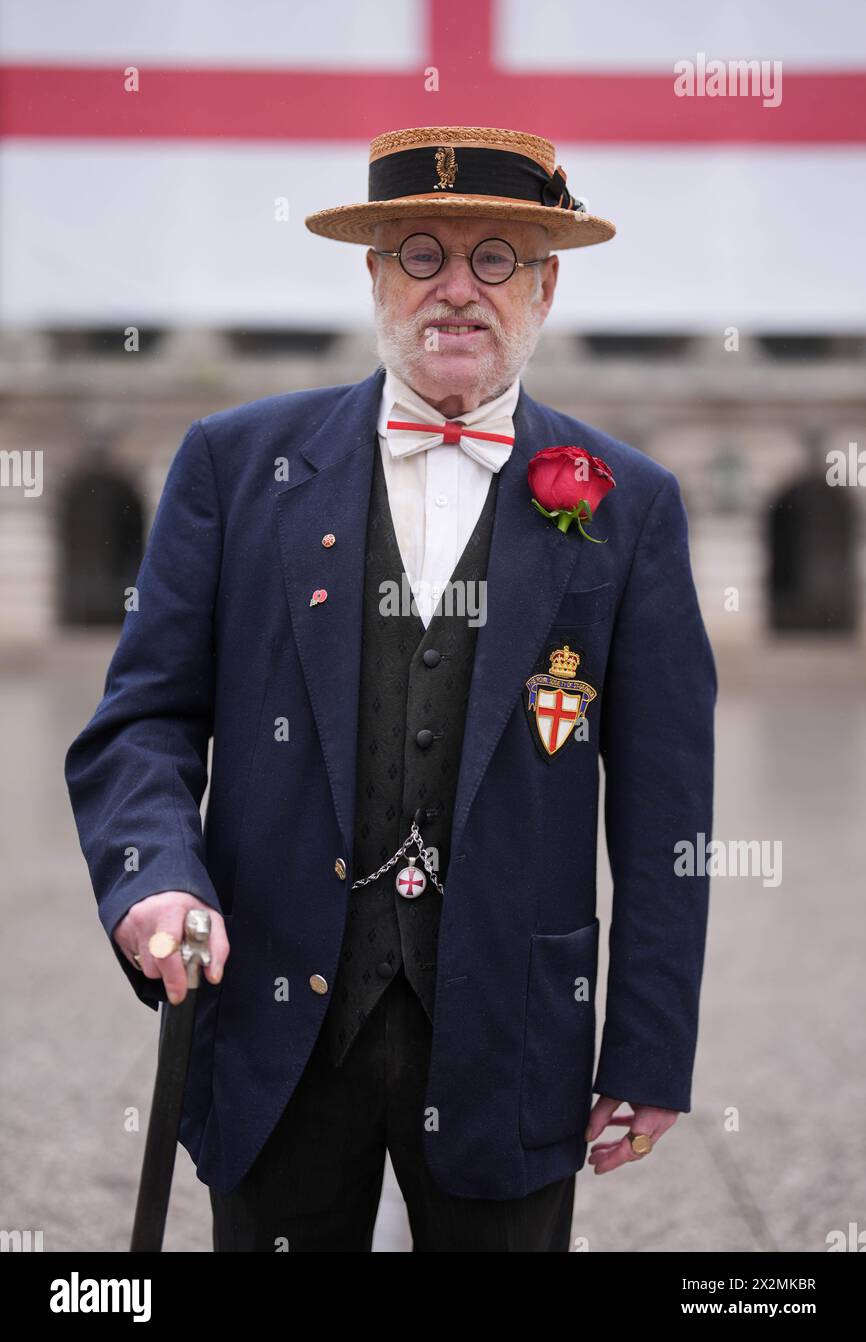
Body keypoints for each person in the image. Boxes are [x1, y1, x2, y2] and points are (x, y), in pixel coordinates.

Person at [65, 125, 717, 1252]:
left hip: (511, 1034)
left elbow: (667, 811)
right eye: (420, 253)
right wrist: (153, 881)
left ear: (545, 285)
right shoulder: (233, 463)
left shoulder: (632, 503)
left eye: (496, 257)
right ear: (374, 275)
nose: (456, 288)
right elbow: (144, 722)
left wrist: (650, 1047)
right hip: (275, 1017)